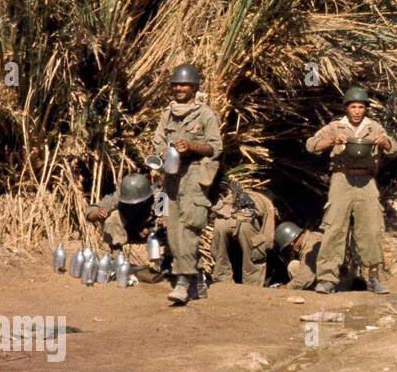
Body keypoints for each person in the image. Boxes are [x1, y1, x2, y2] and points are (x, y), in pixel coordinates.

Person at [306, 86, 395, 294]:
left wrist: (386, 143)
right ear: (347, 108)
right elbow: (310, 145)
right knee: (334, 228)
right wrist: (331, 141)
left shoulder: (374, 127)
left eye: (361, 107)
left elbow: (395, 149)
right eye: (353, 107)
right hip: (341, 179)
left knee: (372, 229)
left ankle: (373, 277)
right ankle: (327, 279)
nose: (357, 111)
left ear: (365, 109)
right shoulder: (336, 126)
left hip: (366, 180)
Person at [152, 64, 222, 305]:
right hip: (171, 176)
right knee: (172, 229)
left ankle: (183, 281)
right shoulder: (167, 114)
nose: (179, 88)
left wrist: (191, 146)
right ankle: (196, 280)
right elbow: (158, 140)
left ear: (194, 87)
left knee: (189, 228)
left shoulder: (205, 114)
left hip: (194, 175)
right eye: (175, 85)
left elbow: (215, 147)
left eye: (184, 85)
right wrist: (163, 152)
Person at [86, 172, 167, 283]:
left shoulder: (159, 197)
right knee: (113, 217)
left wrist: (164, 220)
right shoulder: (120, 195)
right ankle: (117, 260)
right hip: (128, 232)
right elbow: (90, 212)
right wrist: (98, 213)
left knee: (174, 228)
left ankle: (168, 262)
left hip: (153, 235)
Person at [207, 178, 275, 287]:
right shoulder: (267, 202)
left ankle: (222, 282)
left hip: (222, 221)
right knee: (253, 259)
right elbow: (268, 234)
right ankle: (251, 287)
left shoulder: (235, 195)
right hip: (246, 222)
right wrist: (263, 248)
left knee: (220, 254)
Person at [273, 222, 327, 291]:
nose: (291, 247)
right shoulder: (313, 236)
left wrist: (286, 287)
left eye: (290, 245)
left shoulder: (310, 247)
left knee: (293, 266)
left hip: (336, 280)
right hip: (330, 275)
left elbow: (305, 277)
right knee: (294, 265)